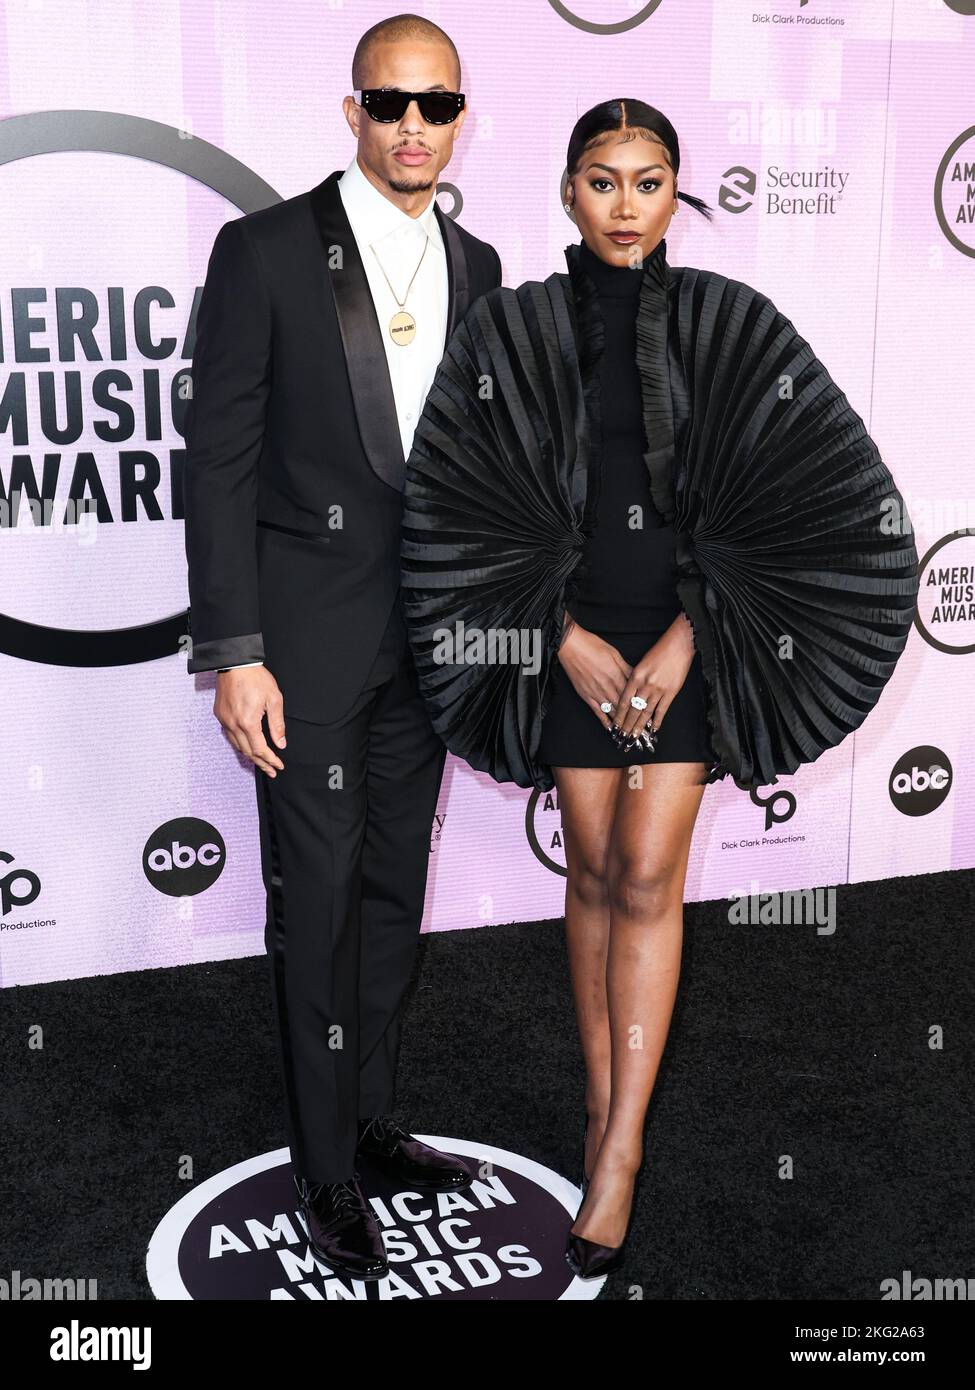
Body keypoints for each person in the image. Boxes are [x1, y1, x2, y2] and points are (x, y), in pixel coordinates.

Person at [400, 99, 919, 1281]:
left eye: (647, 182)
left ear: (677, 192)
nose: (624, 206)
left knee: (647, 875)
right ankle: (600, 1110)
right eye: (601, 181)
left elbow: (822, 489)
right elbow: (453, 499)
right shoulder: (512, 328)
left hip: (686, 642)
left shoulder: (733, 321)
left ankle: (621, 1149)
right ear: (567, 191)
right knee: (590, 870)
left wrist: (693, 634)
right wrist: (557, 634)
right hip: (567, 642)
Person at [182, 14, 502, 1282]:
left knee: (388, 903)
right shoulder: (262, 251)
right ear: (352, 110)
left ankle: (371, 1117)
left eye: (435, 106)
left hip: (426, 646)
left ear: (461, 115)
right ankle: (321, 1166)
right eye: (389, 103)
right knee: (312, 907)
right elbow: (216, 465)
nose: (413, 128)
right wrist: (236, 650)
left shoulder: (477, 264)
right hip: (302, 651)